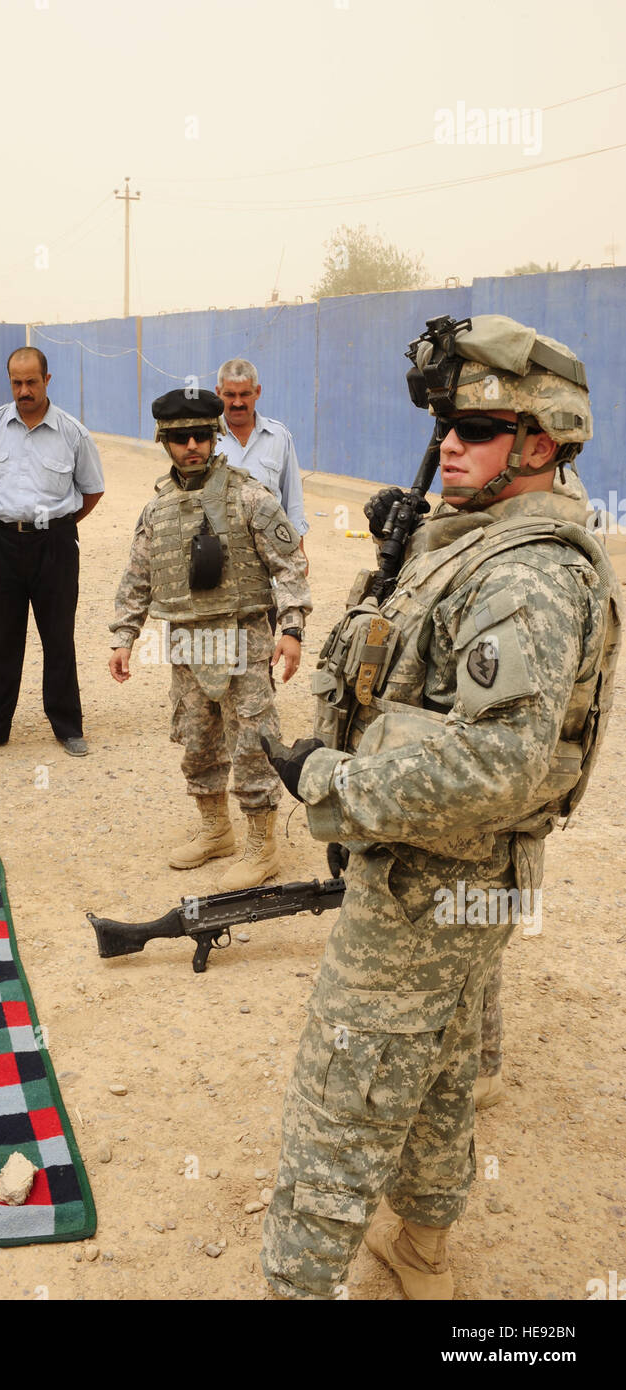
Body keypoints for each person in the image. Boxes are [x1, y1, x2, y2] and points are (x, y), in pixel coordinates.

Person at [259, 314, 621, 1300]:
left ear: (538, 444)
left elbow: (498, 763)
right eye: (443, 426)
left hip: (430, 879)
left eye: (474, 427)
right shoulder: (483, 533)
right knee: (441, 1067)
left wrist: (334, 786)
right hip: (464, 882)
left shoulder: (529, 569)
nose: (447, 445)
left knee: (342, 1101)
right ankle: (416, 1251)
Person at [108, 388, 311, 890]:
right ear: (164, 441)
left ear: (215, 436)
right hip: (187, 642)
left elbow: (289, 567)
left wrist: (291, 629)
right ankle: (216, 829)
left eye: (201, 435)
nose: (192, 445)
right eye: (180, 438)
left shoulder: (250, 497)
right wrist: (123, 637)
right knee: (198, 740)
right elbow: (137, 578)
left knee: (252, 741)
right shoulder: (158, 511)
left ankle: (262, 848)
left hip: (243, 637)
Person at [0, 346, 105, 759]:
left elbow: (92, 490)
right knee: (0, 638)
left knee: (58, 636)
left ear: (47, 380)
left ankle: (67, 726)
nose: (24, 390)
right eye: (16, 382)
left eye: (31, 382)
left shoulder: (73, 433)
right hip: (1, 544)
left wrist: (58, 527)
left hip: (54, 546)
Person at [215, 358, 309, 567]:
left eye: (245, 394)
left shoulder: (279, 436)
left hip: (272, 551)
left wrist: (299, 550)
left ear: (257, 392)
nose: (237, 402)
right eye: (230, 394)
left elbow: (292, 500)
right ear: (218, 393)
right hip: (220, 552)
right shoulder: (206, 438)